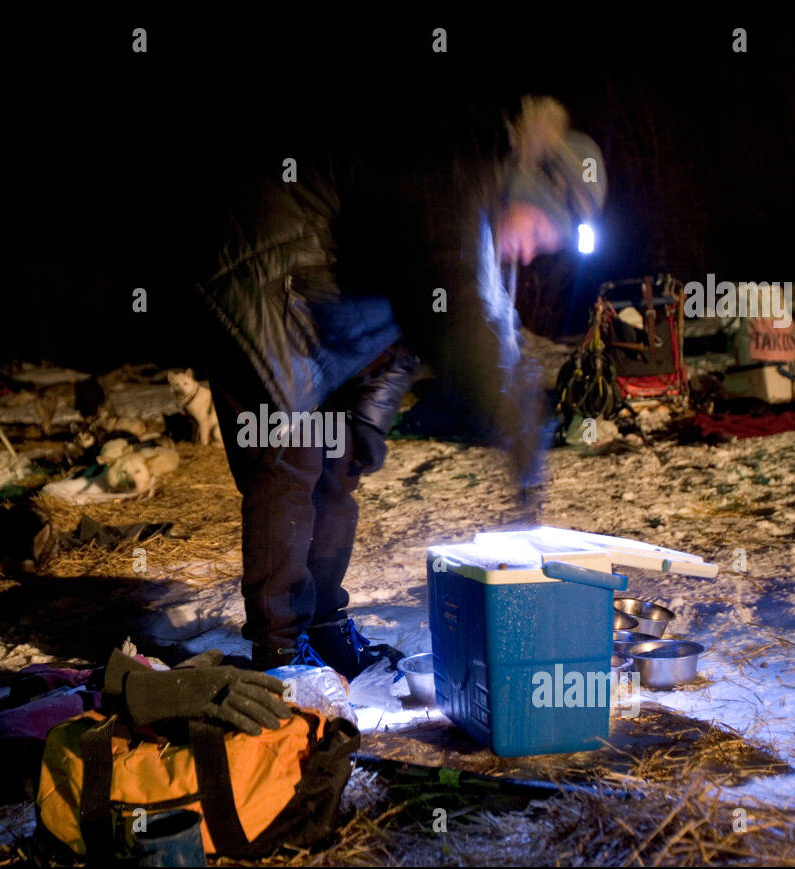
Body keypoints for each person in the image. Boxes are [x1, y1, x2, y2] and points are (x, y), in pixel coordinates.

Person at [181, 96, 607, 677]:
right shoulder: (457, 172)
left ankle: (323, 627)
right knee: (292, 465)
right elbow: (447, 314)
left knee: (339, 468)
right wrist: (518, 432)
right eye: (539, 233)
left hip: (325, 312)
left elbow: (450, 325)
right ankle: (280, 657)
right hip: (262, 287)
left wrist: (368, 419)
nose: (532, 253)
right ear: (530, 192)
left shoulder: (480, 224)